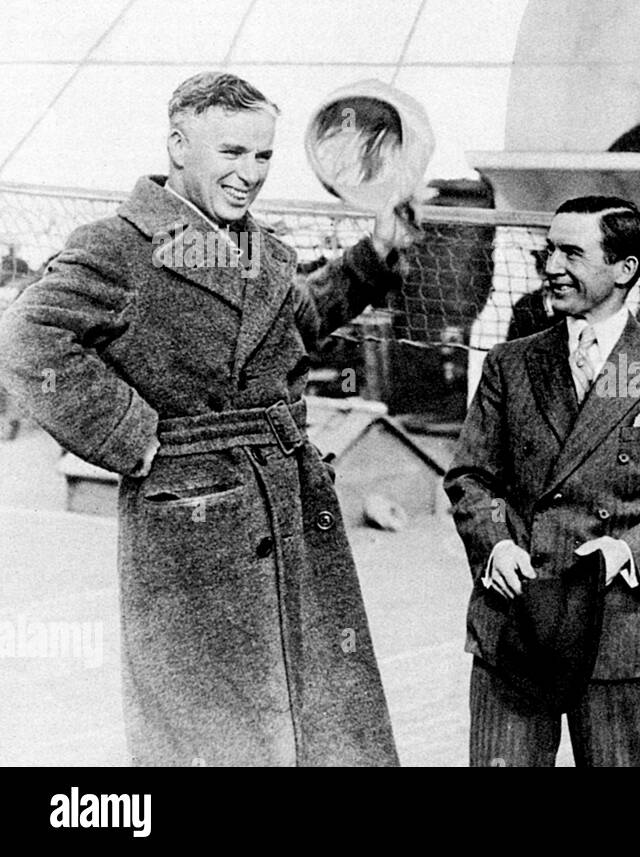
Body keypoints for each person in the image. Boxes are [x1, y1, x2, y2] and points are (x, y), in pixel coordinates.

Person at [0, 72, 429, 766]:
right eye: (231, 153)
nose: (250, 175)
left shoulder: (263, 249)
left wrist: (373, 257)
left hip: (292, 508)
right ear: (177, 144)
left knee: (321, 718)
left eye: (263, 156)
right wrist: (134, 438)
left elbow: (294, 321)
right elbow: (22, 341)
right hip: (193, 522)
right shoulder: (119, 246)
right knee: (215, 729)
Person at [445, 196, 640, 766]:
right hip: (517, 619)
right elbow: (471, 476)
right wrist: (495, 543)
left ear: (625, 270)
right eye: (551, 249)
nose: (553, 266)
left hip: (622, 627)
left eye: (572, 252)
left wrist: (627, 551)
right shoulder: (511, 363)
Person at [506, 248, 565, 340]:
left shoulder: (569, 302)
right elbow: (512, 341)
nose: (544, 272)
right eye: (540, 267)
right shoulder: (526, 303)